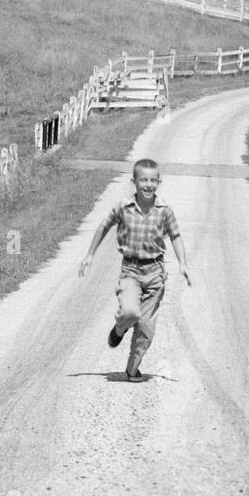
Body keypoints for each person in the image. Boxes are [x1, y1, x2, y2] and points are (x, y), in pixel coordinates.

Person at [78, 158, 191, 380]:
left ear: (159, 181)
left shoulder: (164, 210)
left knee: (146, 328)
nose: (148, 185)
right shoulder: (124, 207)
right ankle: (119, 330)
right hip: (131, 270)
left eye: (152, 180)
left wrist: (183, 263)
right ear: (134, 181)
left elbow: (176, 236)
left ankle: (132, 369)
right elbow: (104, 225)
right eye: (143, 180)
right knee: (130, 313)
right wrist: (90, 254)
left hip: (156, 273)